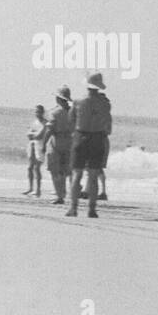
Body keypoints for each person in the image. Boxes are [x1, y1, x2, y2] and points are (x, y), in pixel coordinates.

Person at [67, 72, 112, 218]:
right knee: (93, 175)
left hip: (81, 136)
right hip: (97, 137)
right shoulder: (105, 103)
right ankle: (91, 209)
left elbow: (71, 120)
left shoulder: (78, 101)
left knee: (77, 173)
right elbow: (108, 125)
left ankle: (73, 208)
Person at [45, 86, 74, 204]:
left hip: (56, 141)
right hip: (70, 141)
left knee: (54, 170)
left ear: (58, 98)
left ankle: (60, 195)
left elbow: (50, 129)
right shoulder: (73, 112)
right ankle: (64, 192)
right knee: (64, 170)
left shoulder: (54, 112)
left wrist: (44, 143)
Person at [23, 104, 49, 197]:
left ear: (43, 112)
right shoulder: (34, 122)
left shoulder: (46, 123)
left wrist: (33, 133)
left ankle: (38, 190)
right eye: (36, 112)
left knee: (37, 168)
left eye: (39, 112)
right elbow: (28, 134)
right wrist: (33, 133)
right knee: (30, 167)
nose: (37, 113)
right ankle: (30, 188)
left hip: (41, 146)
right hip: (32, 145)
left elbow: (40, 136)